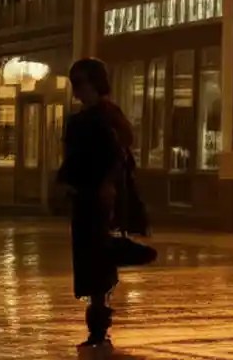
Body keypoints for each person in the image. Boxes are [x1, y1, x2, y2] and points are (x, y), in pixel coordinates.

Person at [58, 57, 140, 349]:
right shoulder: (79, 119)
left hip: (101, 199)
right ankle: (96, 322)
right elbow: (72, 157)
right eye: (74, 84)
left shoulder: (106, 116)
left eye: (80, 83)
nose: (76, 90)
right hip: (83, 196)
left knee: (99, 260)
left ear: (95, 83)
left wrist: (107, 184)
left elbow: (120, 153)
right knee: (88, 258)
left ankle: (99, 323)